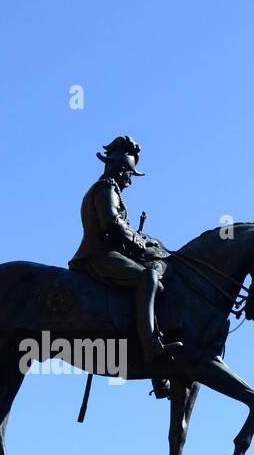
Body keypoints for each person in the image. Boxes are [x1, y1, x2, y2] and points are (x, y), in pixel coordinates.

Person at [69, 136, 184, 376]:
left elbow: (121, 228)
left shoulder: (111, 190)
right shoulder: (105, 189)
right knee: (149, 277)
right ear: (119, 168)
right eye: (129, 174)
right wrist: (140, 243)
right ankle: (151, 347)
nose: (129, 181)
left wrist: (147, 241)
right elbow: (112, 225)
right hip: (98, 256)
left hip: (109, 253)